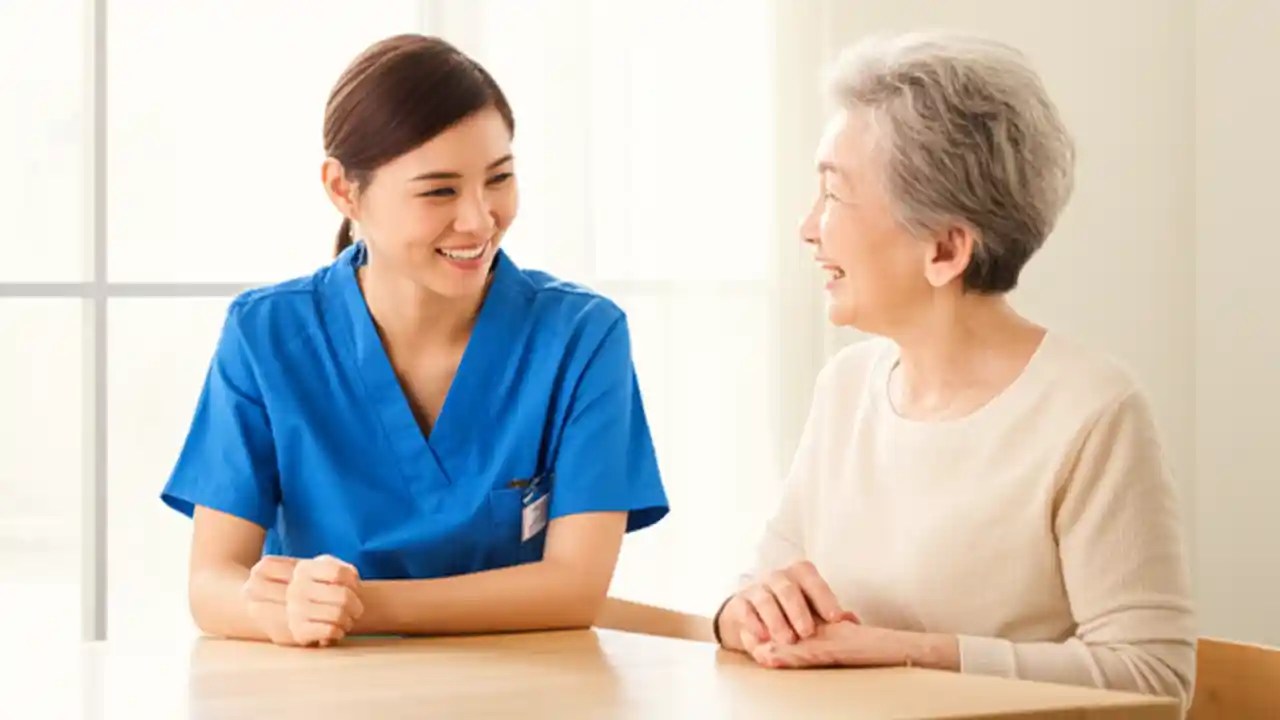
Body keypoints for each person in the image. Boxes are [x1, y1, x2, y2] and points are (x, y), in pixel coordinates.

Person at [712, 31, 1196, 706]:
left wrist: (911, 655)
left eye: (832, 195)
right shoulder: (845, 387)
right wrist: (743, 615)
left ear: (944, 248)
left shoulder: (1092, 410)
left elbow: (1156, 679)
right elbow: (757, 590)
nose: (808, 228)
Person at [161, 34, 668, 647]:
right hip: (321, 693)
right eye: (440, 191)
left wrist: (355, 606)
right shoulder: (266, 335)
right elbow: (212, 582)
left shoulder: (583, 338)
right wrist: (277, 611)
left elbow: (574, 588)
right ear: (344, 190)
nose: (479, 220)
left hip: (524, 691)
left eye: (499, 179)